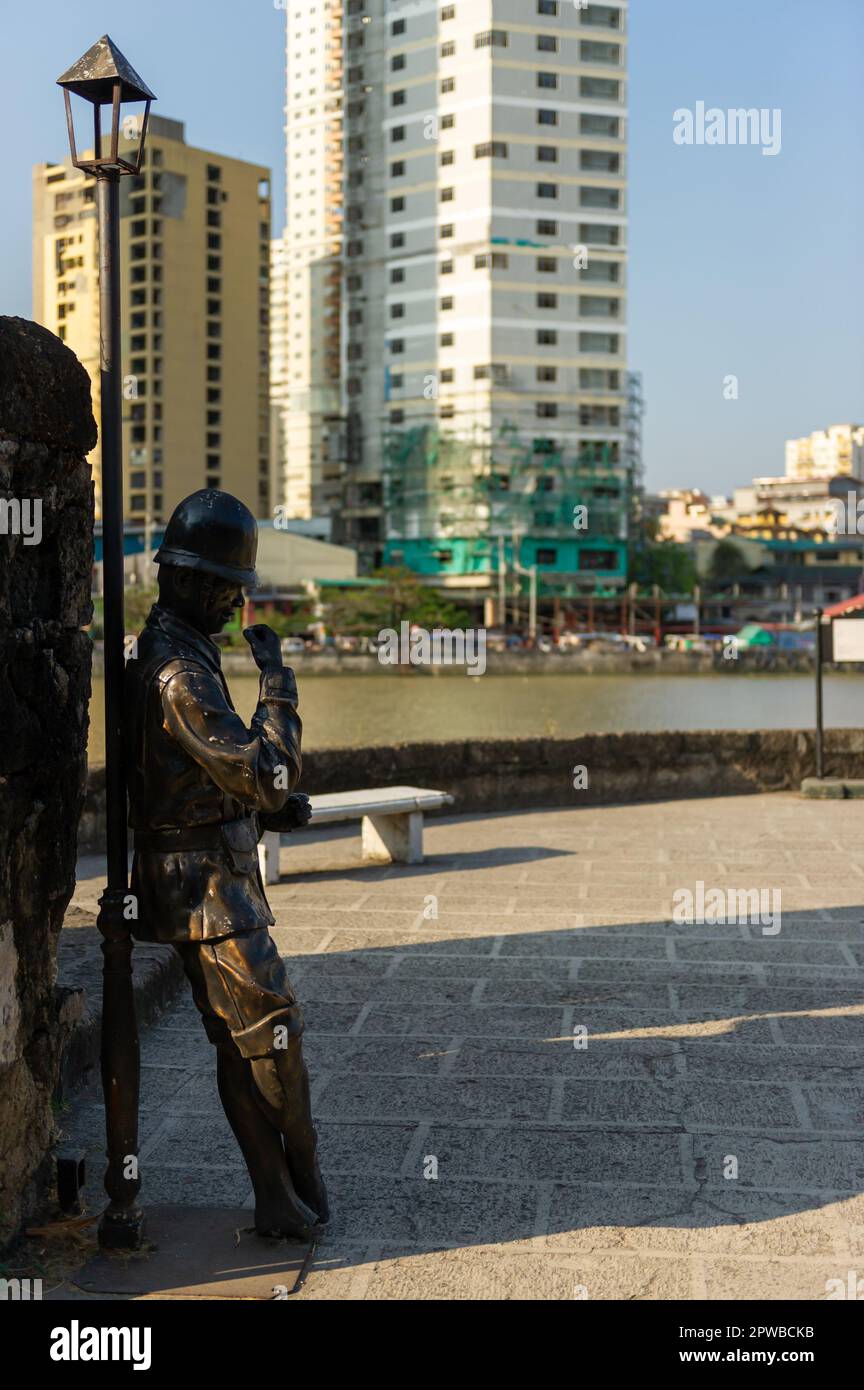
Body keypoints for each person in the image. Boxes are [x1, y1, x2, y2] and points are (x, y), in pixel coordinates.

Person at [124, 488, 327, 1238]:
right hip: (203, 889)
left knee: (244, 1040)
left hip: (214, 873)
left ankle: (277, 1192)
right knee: (273, 1034)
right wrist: (277, 677)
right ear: (201, 585)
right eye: (232, 590)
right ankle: (295, 1170)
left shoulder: (188, 655)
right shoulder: (182, 673)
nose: (235, 602)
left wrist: (265, 808)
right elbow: (269, 770)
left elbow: (213, 778)